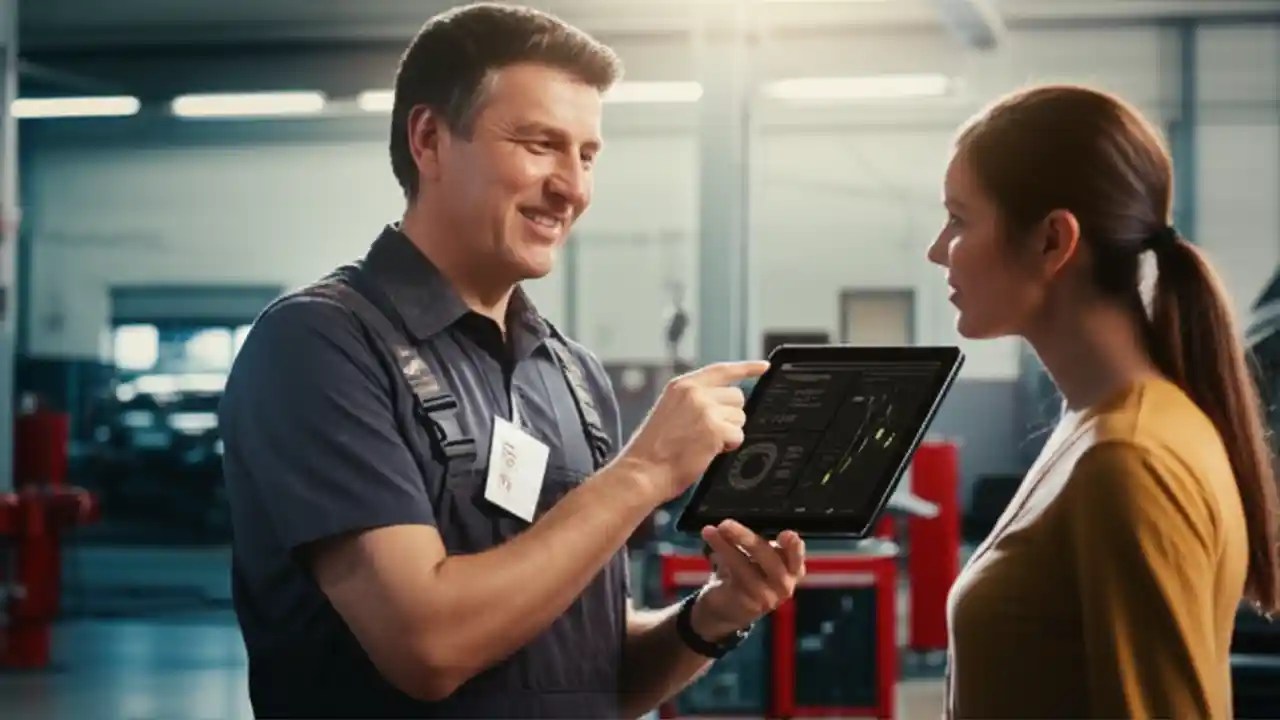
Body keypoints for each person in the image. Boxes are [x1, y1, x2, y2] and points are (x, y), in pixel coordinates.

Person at [218, 4, 806, 718]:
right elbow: (428, 646)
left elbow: (591, 672)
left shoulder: (572, 376)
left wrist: (710, 616)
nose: (574, 187)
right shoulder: (318, 347)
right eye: (539, 144)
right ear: (430, 139)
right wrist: (644, 472)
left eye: (587, 155)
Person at [927, 83, 1280, 718]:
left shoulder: (1130, 459)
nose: (936, 251)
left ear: (1053, 241)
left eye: (958, 219)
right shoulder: (1098, 426)